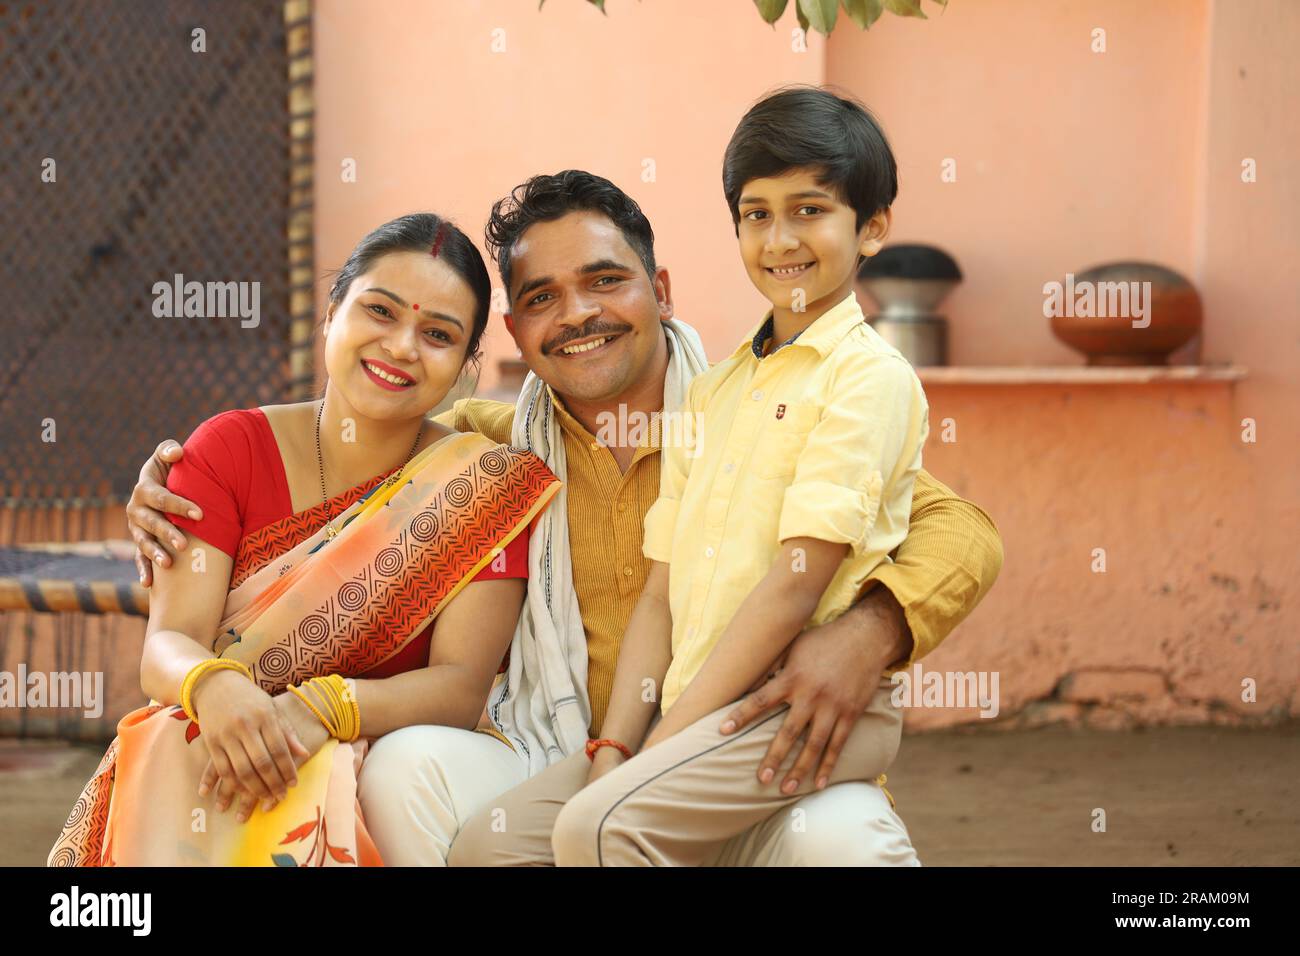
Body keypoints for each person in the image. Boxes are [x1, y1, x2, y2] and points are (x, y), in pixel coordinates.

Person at [127, 171, 1003, 867]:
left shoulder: (765, 416)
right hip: (565, 756)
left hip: (746, 748)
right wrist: (181, 474)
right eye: (542, 297)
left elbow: (962, 529)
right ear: (511, 332)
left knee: (841, 841)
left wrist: (872, 630)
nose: (577, 313)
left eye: (605, 281)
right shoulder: (496, 454)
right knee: (409, 768)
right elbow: (356, 426)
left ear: (659, 289)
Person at [48, 213, 560, 866]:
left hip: (380, 767)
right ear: (330, 316)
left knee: (360, 778)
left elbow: (457, 689)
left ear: (464, 366)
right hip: (222, 742)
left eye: (438, 334)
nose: (403, 346)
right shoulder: (227, 451)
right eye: (380, 311)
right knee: (176, 736)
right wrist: (212, 685)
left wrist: (323, 707)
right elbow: (167, 648)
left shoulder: (481, 485)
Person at [550, 86, 927, 866]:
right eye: (756, 214)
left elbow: (795, 583)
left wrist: (668, 740)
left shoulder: (869, 379)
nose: (779, 237)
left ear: (873, 227)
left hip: (794, 705)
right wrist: (620, 745)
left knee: (595, 829)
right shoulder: (715, 391)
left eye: (810, 209)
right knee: (497, 843)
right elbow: (661, 591)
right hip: (698, 708)